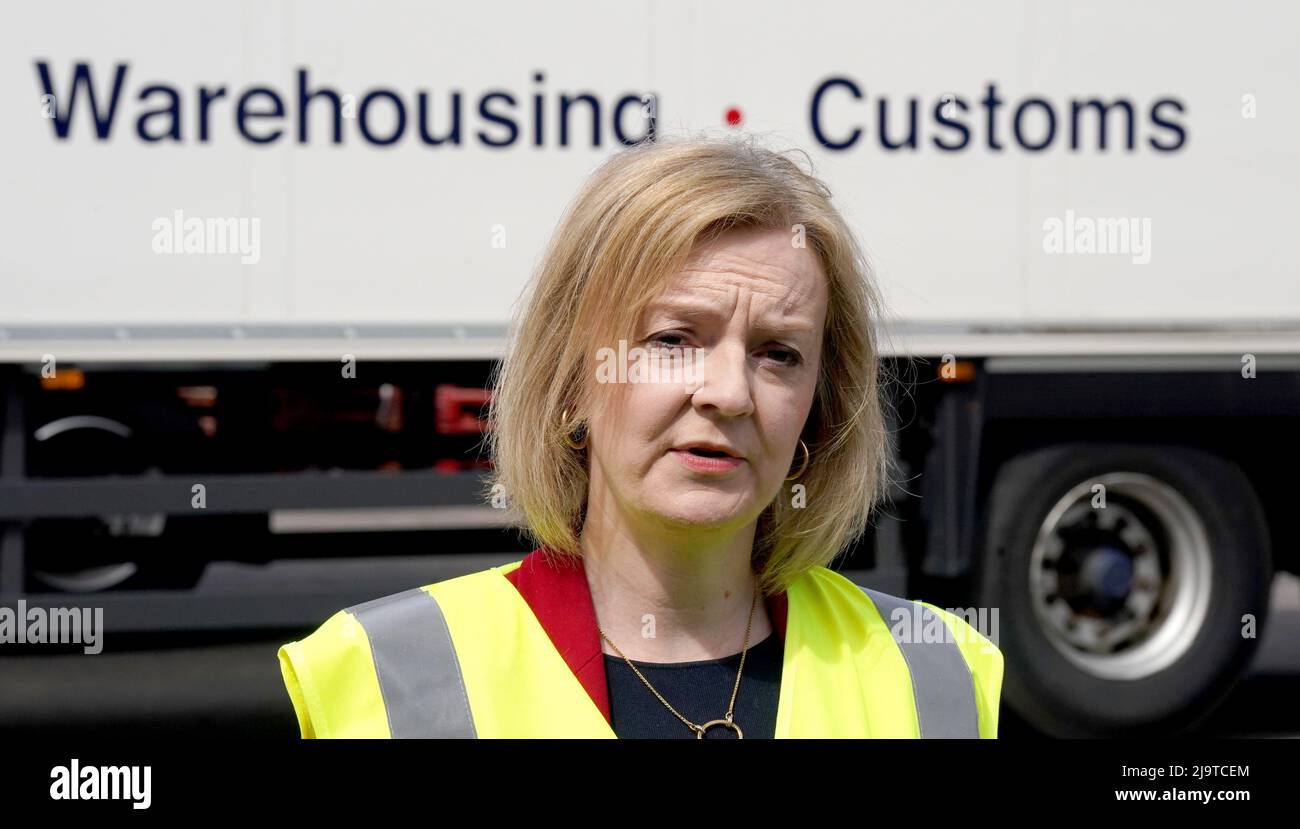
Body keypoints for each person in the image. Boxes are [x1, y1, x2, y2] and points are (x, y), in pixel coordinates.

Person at [278, 135, 1003, 738]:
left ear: (819, 405)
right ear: (571, 378)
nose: (726, 391)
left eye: (779, 352)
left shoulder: (937, 672)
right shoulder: (384, 674)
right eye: (674, 339)